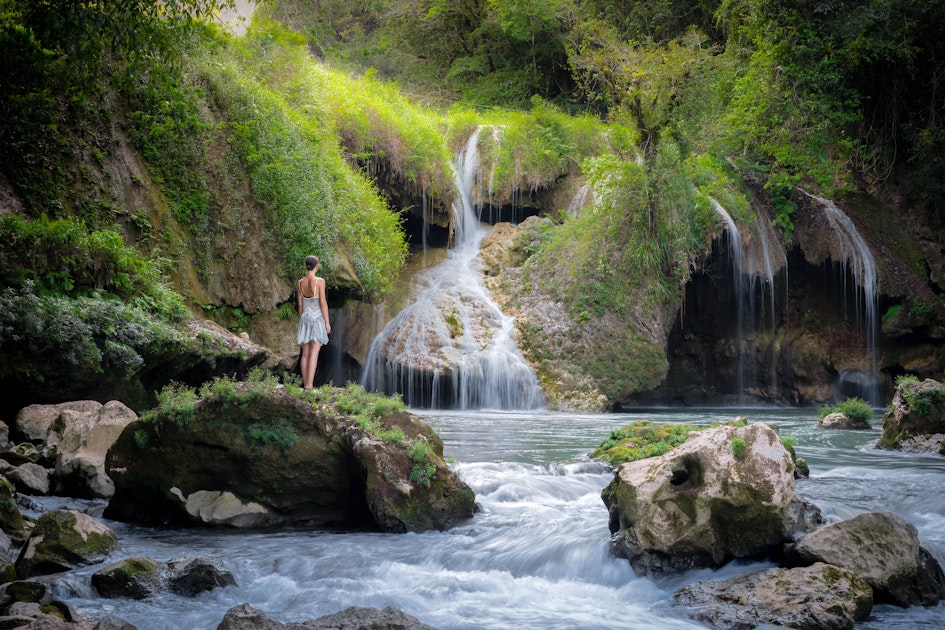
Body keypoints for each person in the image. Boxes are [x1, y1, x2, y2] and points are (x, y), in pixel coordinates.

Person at [297, 255, 331, 390]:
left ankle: (305, 385)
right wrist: (327, 323)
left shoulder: (300, 282)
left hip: (305, 317)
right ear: (316, 265)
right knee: (314, 353)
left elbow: (300, 304)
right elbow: (323, 303)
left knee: (305, 353)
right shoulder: (320, 281)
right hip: (317, 318)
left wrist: (302, 319)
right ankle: (310, 386)